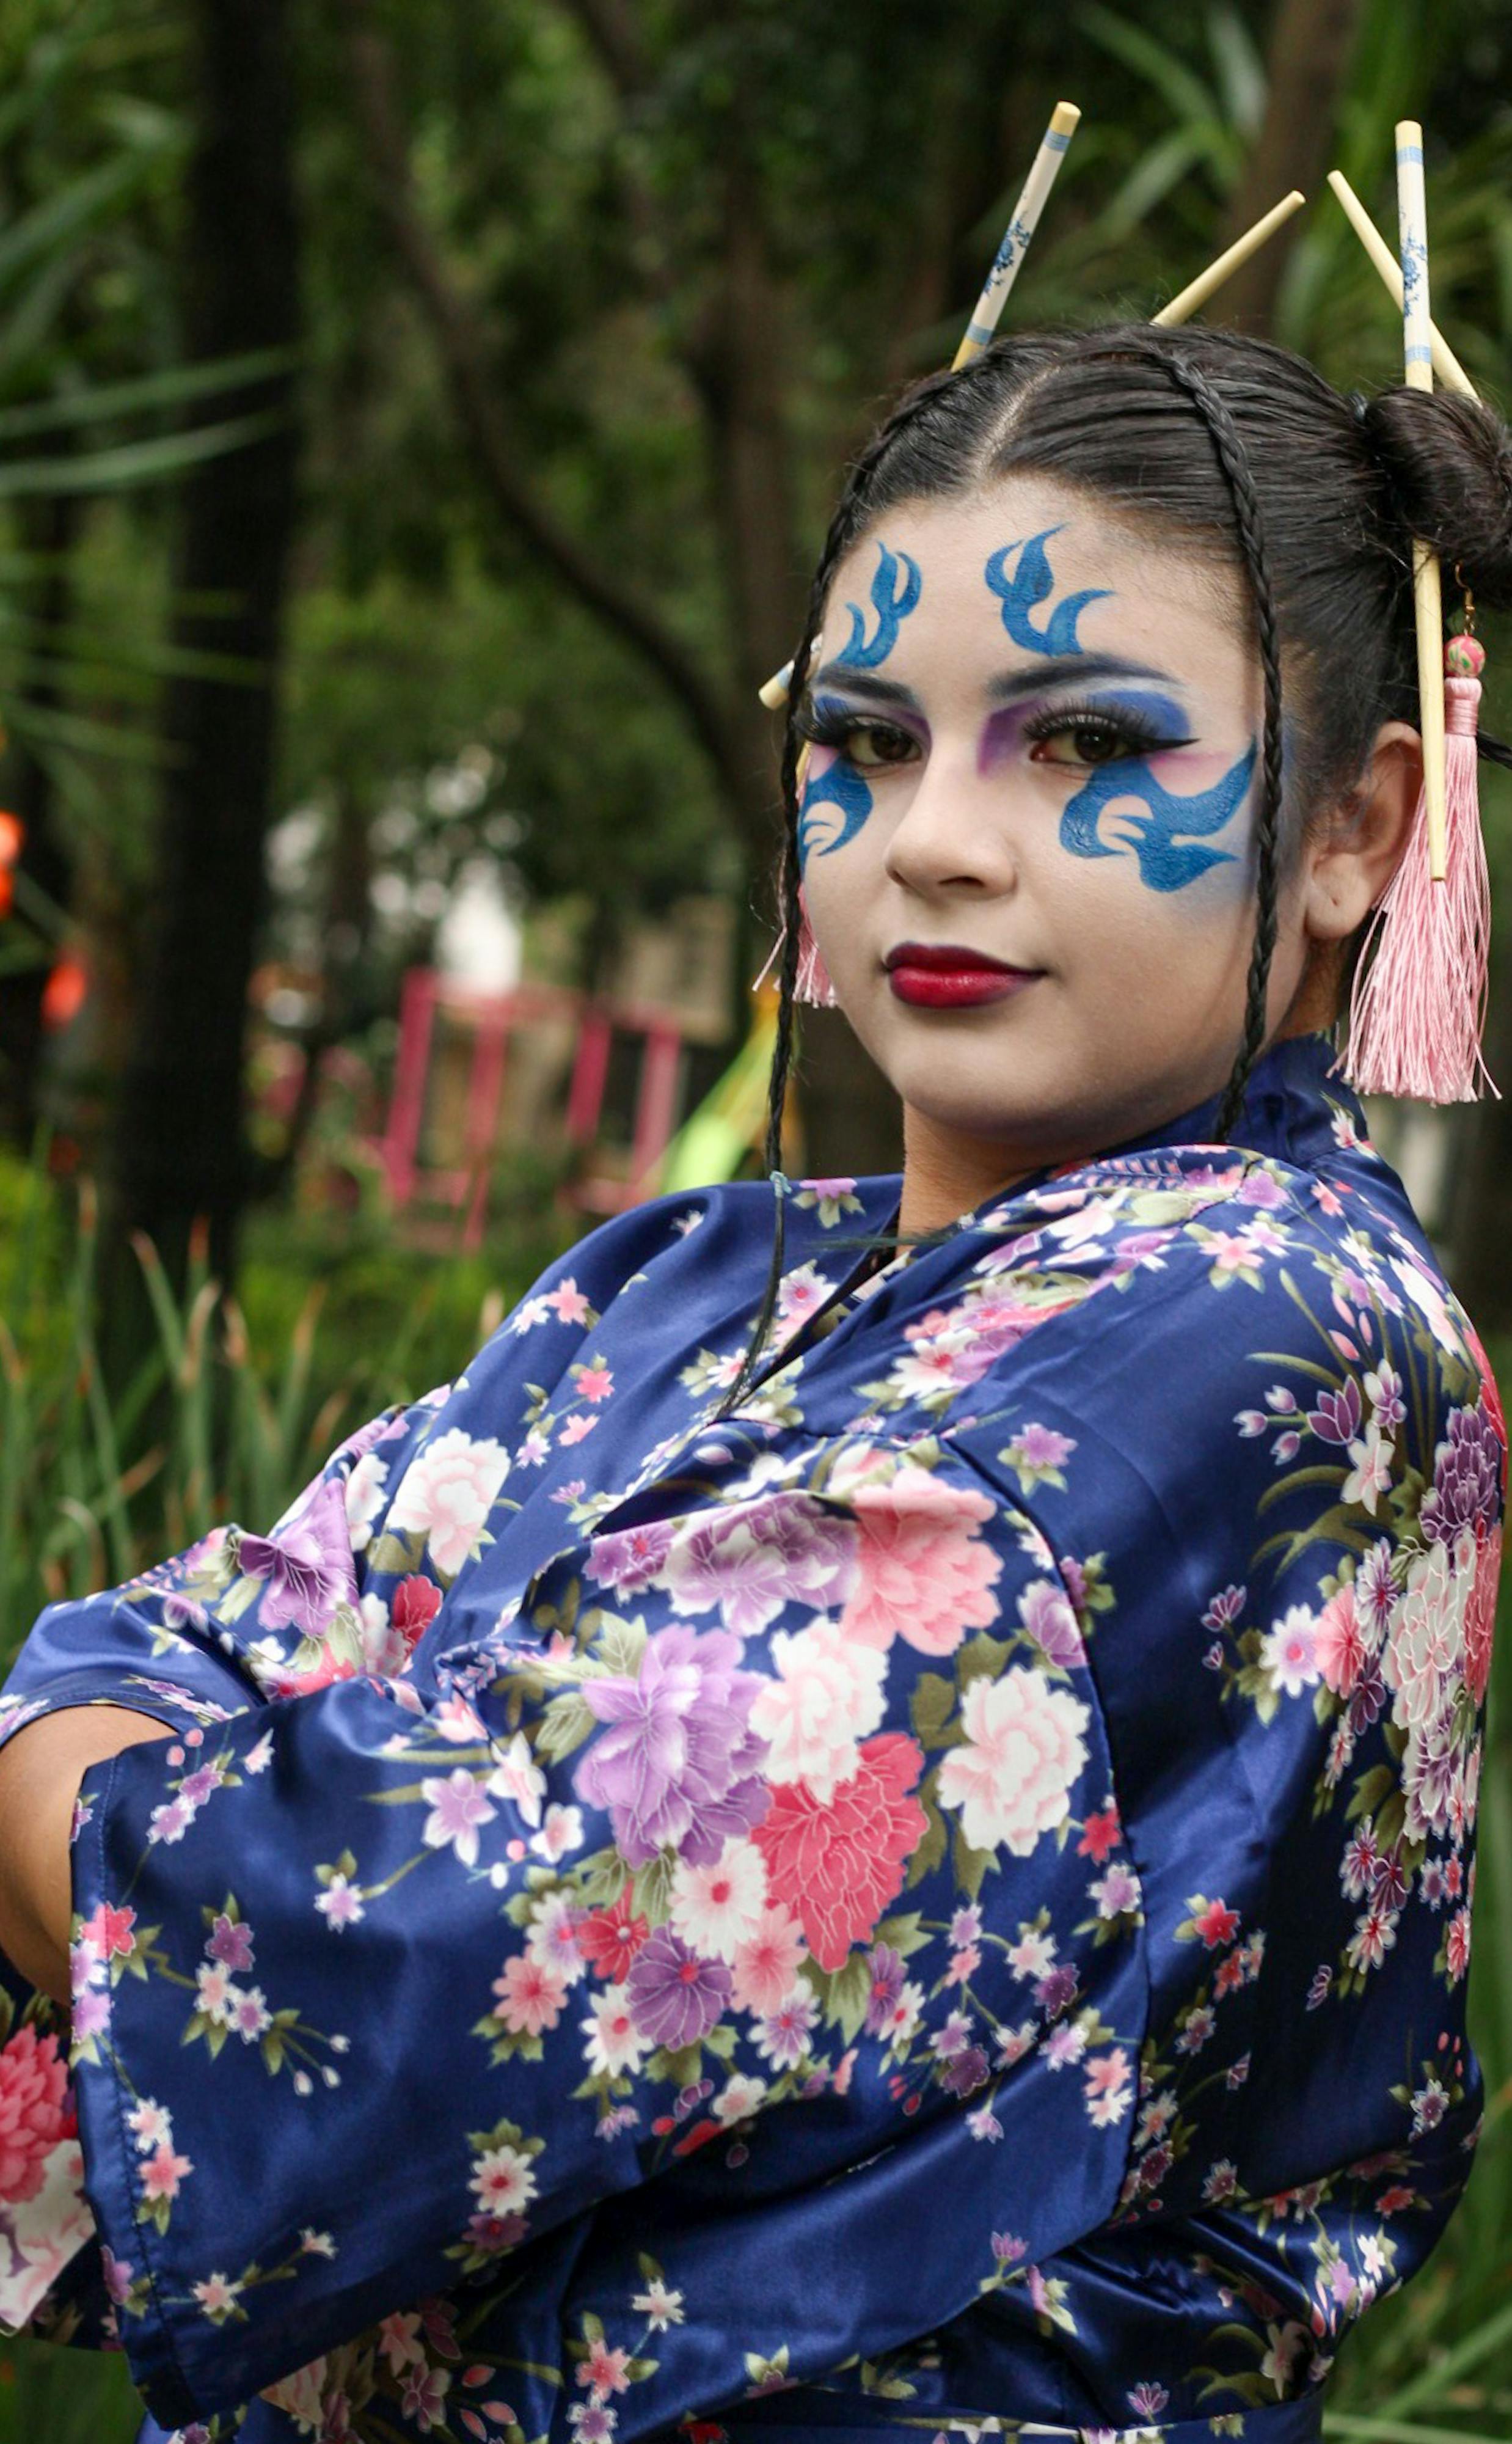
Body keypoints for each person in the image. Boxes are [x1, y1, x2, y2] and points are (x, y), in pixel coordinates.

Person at [0, 323, 1505, 2444]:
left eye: (1082, 745)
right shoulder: (695, 1283)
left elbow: (425, 1949)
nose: (938, 842)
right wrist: (181, 1785)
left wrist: (89, 1777)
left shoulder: (1257, 1337)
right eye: (868, 743)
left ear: (1360, 826)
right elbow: (189, 1671)